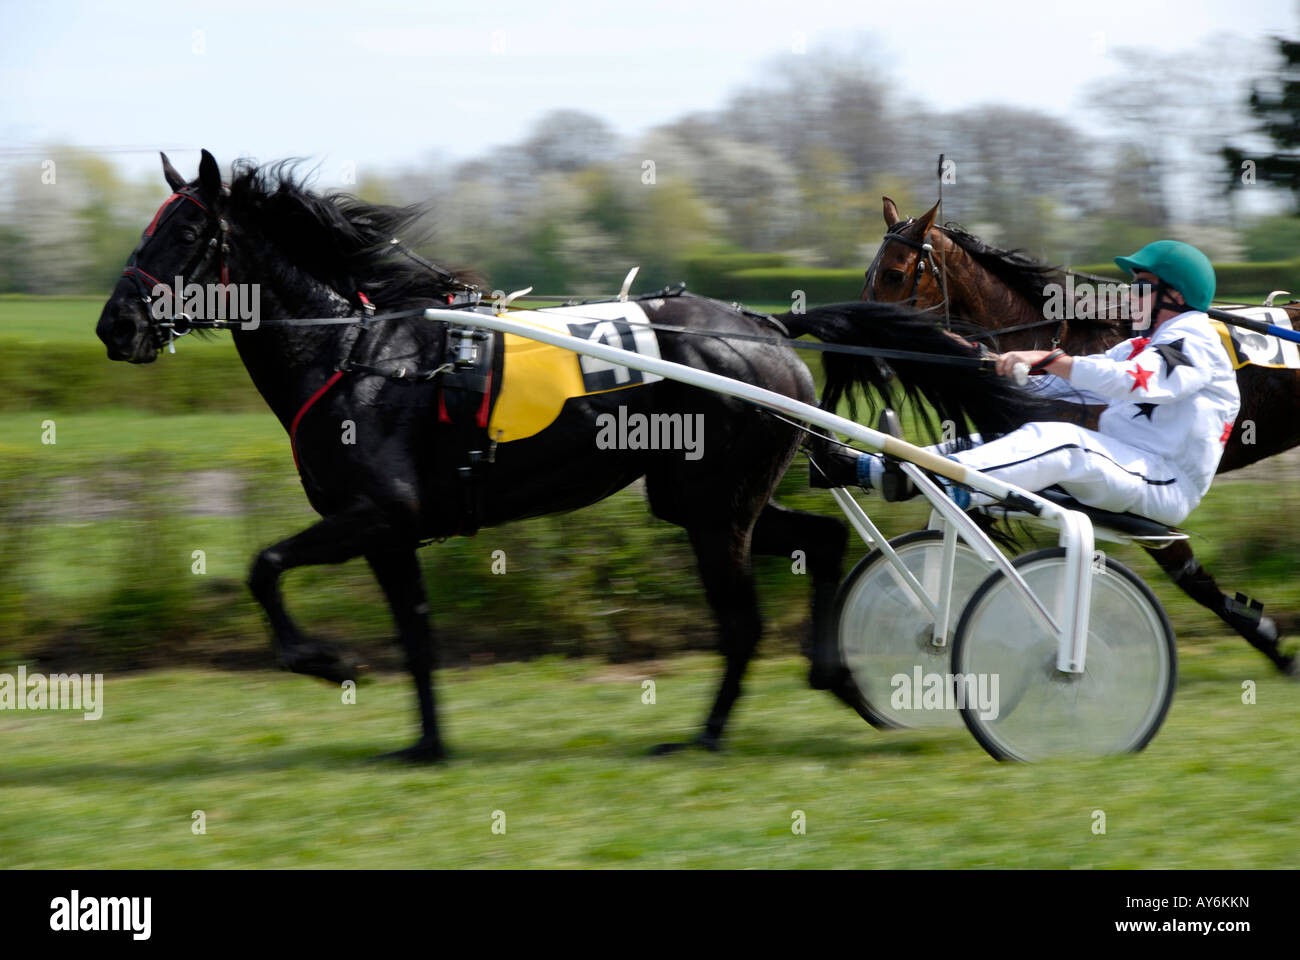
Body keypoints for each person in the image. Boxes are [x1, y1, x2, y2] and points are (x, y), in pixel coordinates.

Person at [811, 240, 1240, 527]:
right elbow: (1058, 385)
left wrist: (1053, 358)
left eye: (1141, 287)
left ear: (1176, 296)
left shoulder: (1195, 340)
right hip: (1130, 463)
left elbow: (1133, 383)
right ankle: (864, 467)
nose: (1130, 296)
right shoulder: (1142, 345)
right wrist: (982, 361)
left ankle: (940, 482)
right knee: (1005, 434)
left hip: (1163, 481)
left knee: (1064, 441)